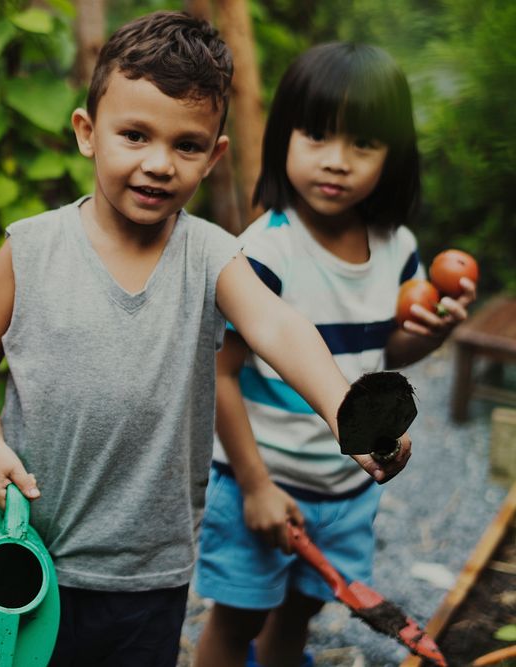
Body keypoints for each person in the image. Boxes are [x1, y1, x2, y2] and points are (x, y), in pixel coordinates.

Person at [0, 14, 412, 667]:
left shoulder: (211, 256)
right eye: (134, 135)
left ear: (215, 154)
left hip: (149, 575)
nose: (159, 164)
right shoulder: (31, 249)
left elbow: (278, 325)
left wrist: (347, 408)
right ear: (87, 132)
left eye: (187, 145)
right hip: (25, 550)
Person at [192, 43, 476, 667]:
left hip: (347, 489)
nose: (337, 162)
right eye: (317, 135)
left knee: (302, 610)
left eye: (362, 145)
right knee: (237, 616)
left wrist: (432, 334)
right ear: (281, 137)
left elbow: (382, 349)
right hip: (260, 483)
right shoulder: (267, 250)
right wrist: (257, 486)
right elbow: (220, 374)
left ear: (392, 157)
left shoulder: (396, 246)